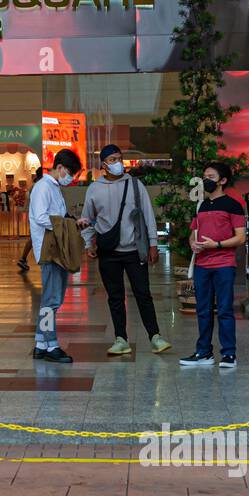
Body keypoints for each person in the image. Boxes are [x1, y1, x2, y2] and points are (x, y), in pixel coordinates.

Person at [80, 144, 172, 357]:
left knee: (143, 293)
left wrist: (152, 244)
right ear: (103, 164)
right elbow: (88, 219)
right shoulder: (94, 189)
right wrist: (88, 243)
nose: (118, 163)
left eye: (119, 158)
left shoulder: (135, 185)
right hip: (108, 251)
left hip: (134, 251)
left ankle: (155, 336)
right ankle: (121, 339)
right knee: (115, 296)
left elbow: (147, 215)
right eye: (113, 159)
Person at [179, 162, 247, 369]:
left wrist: (216, 244)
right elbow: (194, 231)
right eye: (204, 176)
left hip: (224, 264)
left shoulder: (233, 205)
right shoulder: (201, 205)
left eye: (210, 176)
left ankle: (228, 354)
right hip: (202, 265)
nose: (205, 180)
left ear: (223, 180)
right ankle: (204, 352)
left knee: (225, 309)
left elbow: (241, 238)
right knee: (203, 309)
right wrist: (193, 242)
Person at [28, 149, 82, 362]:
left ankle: (41, 343)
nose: (70, 178)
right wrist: (66, 225)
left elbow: (57, 216)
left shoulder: (53, 187)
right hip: (49, 250)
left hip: (55, 248)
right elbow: (41, 217)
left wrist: (71, 222)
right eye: (69, 173)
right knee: (51, 300)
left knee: (51, 299)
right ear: (59, 168)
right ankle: (51, 345)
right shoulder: (43, 187)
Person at [18, 167, 43, 272]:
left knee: (33, 238)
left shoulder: (34, 186)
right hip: (39, 215)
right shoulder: (40, 186)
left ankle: (23, 258)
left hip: (34, 215)